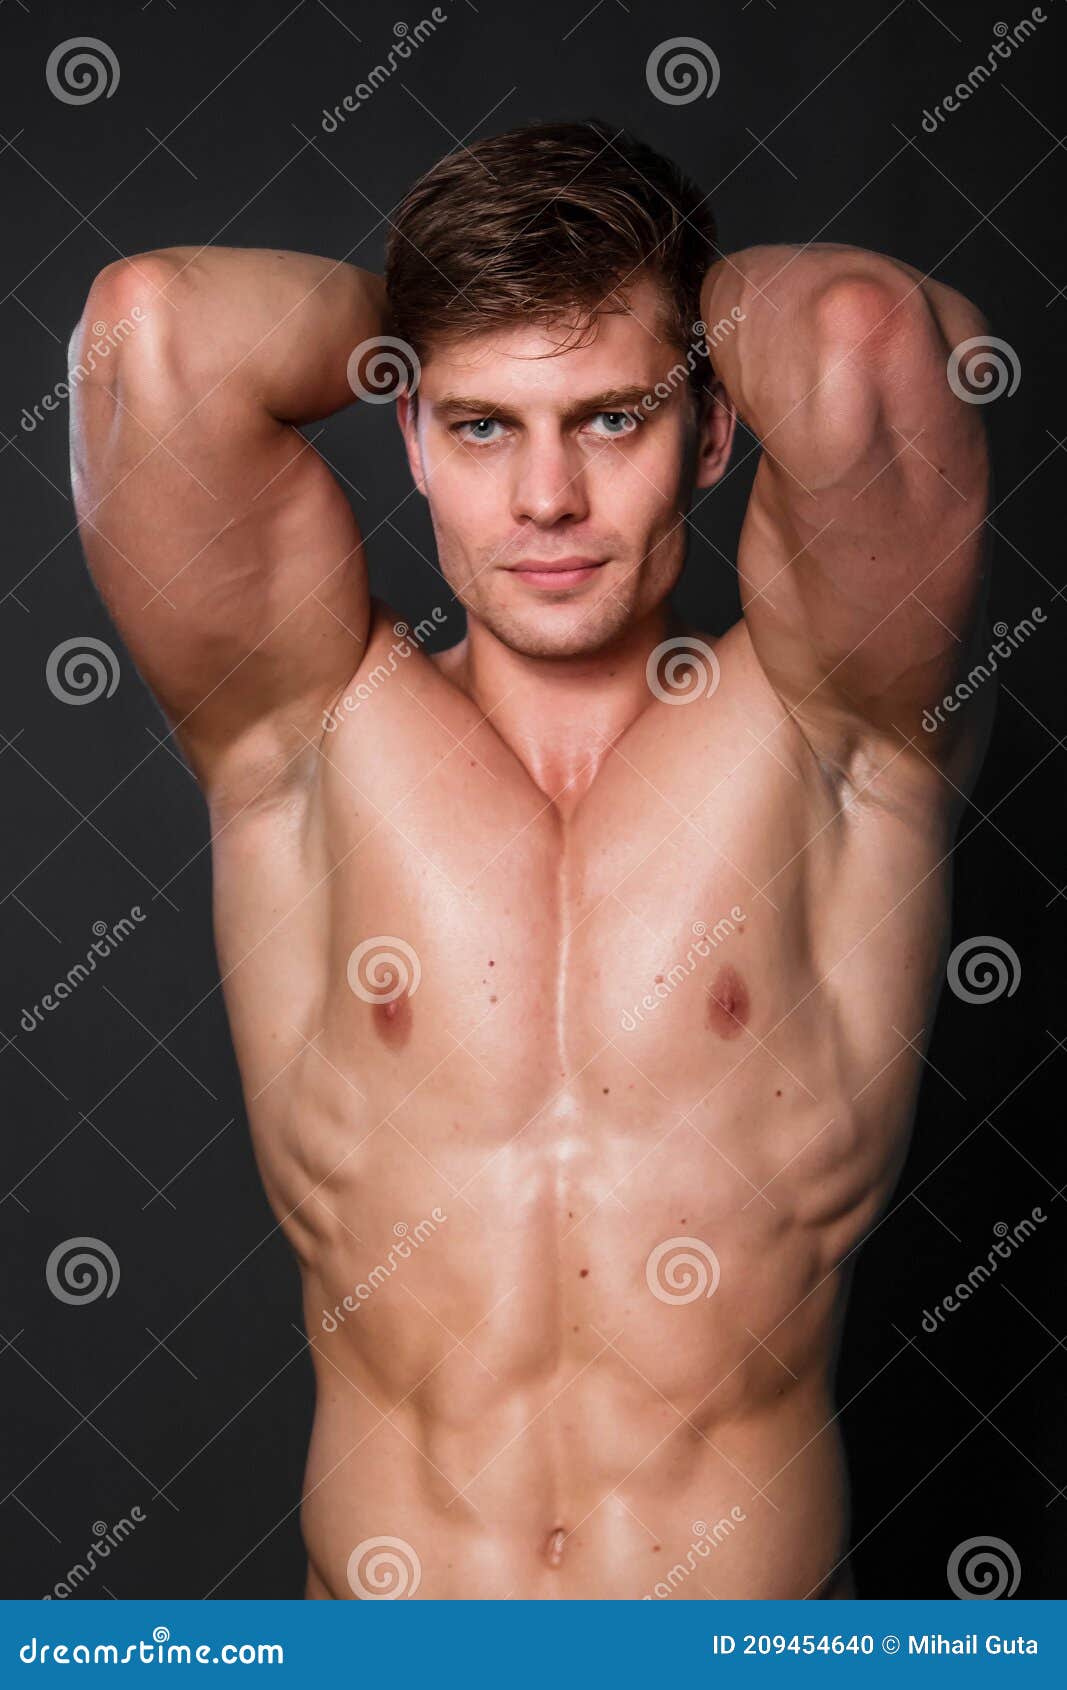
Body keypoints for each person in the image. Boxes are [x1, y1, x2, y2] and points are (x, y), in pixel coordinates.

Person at [69, 119, 992, 1600]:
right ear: (413, 434)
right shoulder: (302, 732)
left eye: (614, 418)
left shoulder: (838, 725)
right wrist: (441, 315)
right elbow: (152, 333)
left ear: (708, 430)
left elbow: (856, 342)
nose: (547, 499)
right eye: (485, 424)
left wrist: (656, 311)